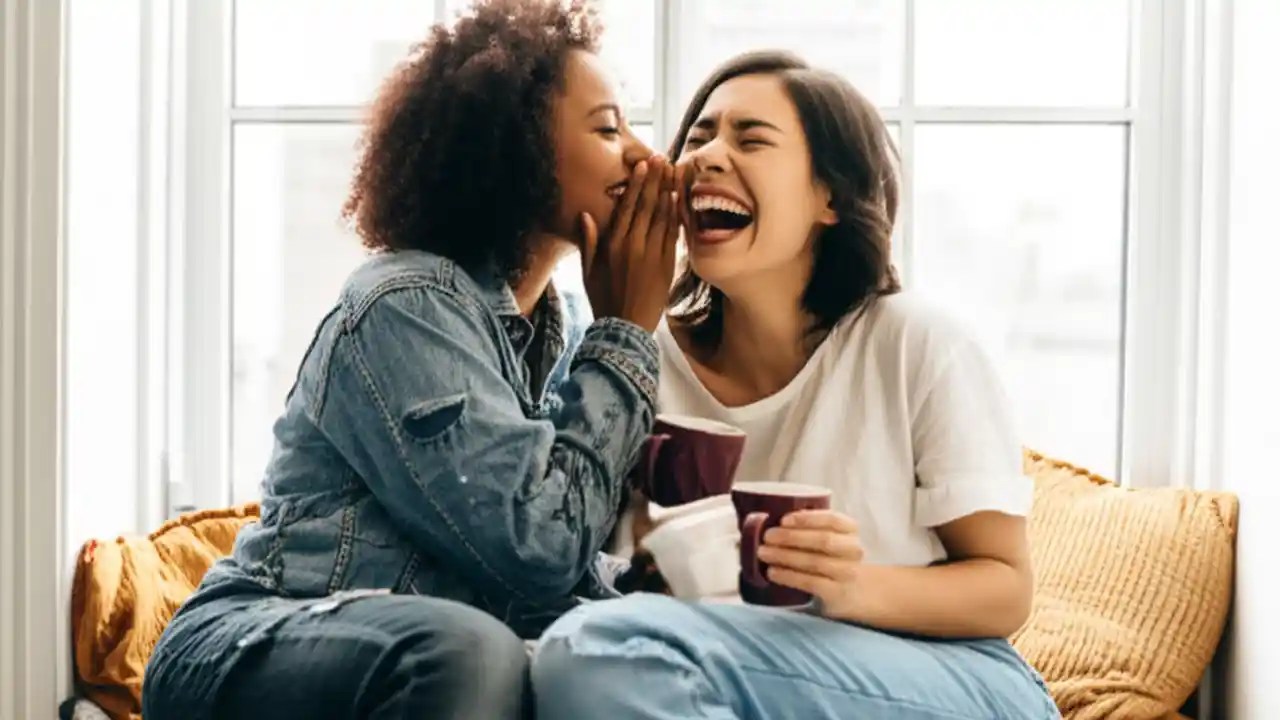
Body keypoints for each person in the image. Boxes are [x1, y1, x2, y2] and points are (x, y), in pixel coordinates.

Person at [142, 1, 683, 718]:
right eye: (608, 128)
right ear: (513, 148)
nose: (642, 157)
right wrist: (626, 333)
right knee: (470, 651)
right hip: (248, 639)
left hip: (421, 646)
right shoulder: (406, 304)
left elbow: (562, 559)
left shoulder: (564, 326)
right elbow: (537, 548)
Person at [532, 51, 1060, 720]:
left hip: (951, 675)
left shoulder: (916, 343)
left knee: (597, 651)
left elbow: (1006, 590)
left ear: (830, 197)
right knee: (584, 655)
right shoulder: (635, 358)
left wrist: (847, 587)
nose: (707, 157)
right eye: (698, 137)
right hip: (718, 662)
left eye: (750, 139)